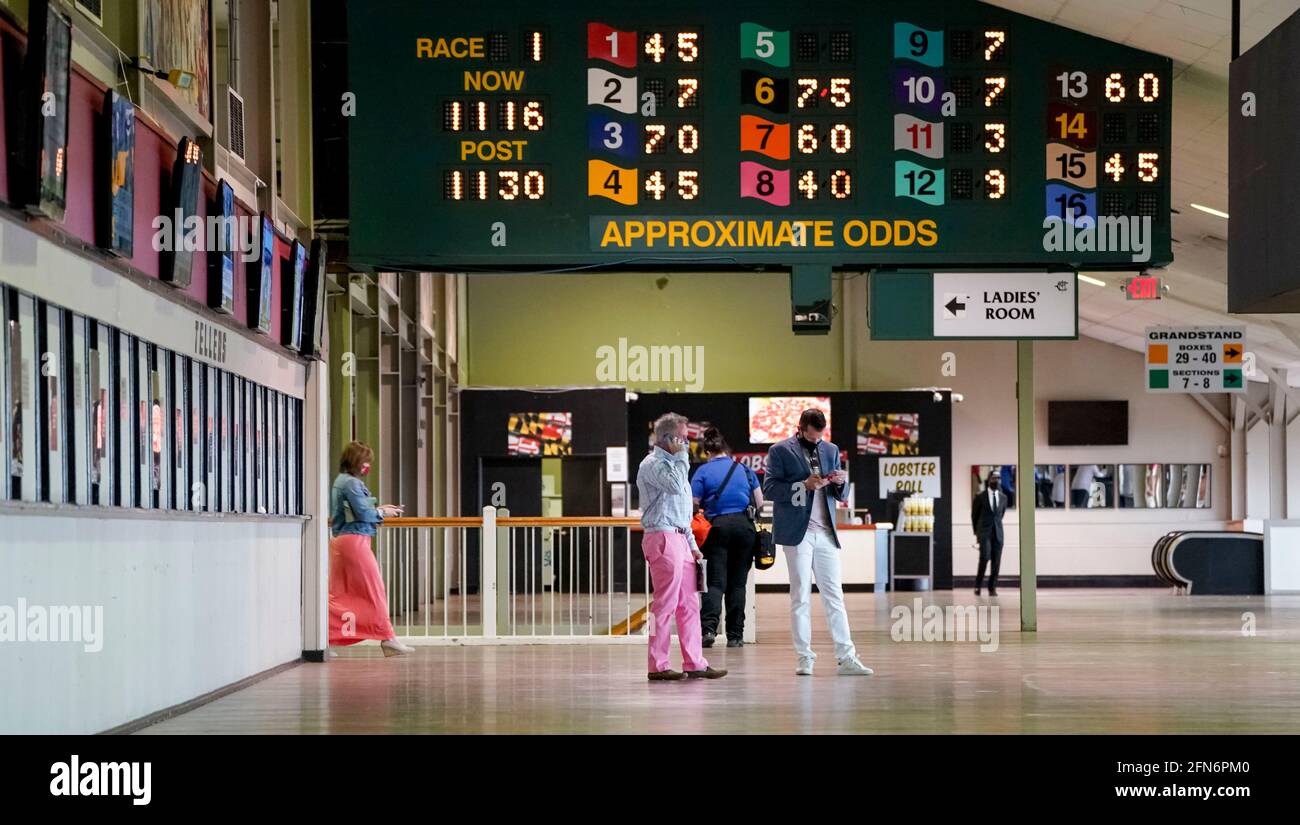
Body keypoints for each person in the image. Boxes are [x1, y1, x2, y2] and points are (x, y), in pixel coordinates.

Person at [763, 409, 873, 677]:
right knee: (800, 595)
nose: (816, 441)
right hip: (797, 533)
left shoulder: (831, 449)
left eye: (820, 437)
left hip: (825, 533)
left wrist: (840, 482)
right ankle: (805, 657)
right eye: (812, 437)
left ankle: (847, 657)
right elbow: (769, 489)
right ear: (800, 428)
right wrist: (802, 484)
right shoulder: (779, 451)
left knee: (835, 595)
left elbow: (841, 494)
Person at [637, 413, 727, 681]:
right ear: (667, 438)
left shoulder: (677, 464)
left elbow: (682, 510)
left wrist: (692, 545)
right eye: (683, 438)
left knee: (689, 604)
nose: (687, 444)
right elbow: (676, 488)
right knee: (663, 605)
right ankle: (658, 664)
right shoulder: (652, 464)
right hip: (662, 537)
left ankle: (695, 661)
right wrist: (681, 457)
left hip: (680, 537)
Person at [328, 441, 413, 657]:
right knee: (375, 590)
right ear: (356, 461)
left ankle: (327, 637)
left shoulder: (341, 481)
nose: (368, 466)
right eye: (365, 462)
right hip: (356, 541)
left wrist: (378, 509)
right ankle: (388, 638)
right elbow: (363, 514)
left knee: (339, 594)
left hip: (342, 541)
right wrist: (382, 514)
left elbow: (359, 509)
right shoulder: (352, 484)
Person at [690, 426, 763, 648]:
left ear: (707, 452)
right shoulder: (743, 469)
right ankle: (735, 636)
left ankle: (709, 630)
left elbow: (692, 505)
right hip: (744, 528)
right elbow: (759, 502)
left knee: (715, 583)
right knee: (737, 584)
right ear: (725, 448)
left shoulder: (702, 472)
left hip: (717, 528)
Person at [971, 470, 1007, 596]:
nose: (996, 481)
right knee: (985, 557)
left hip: (998, 533)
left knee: (996, 561)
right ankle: (978, 585)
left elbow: (1001, 514)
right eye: (993, 478)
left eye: (998, 478)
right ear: (989, 480)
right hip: (984, 533)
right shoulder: (980, 497)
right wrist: (977, 533)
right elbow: (974, 516)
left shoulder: (1003, 498)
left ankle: (992, 588)